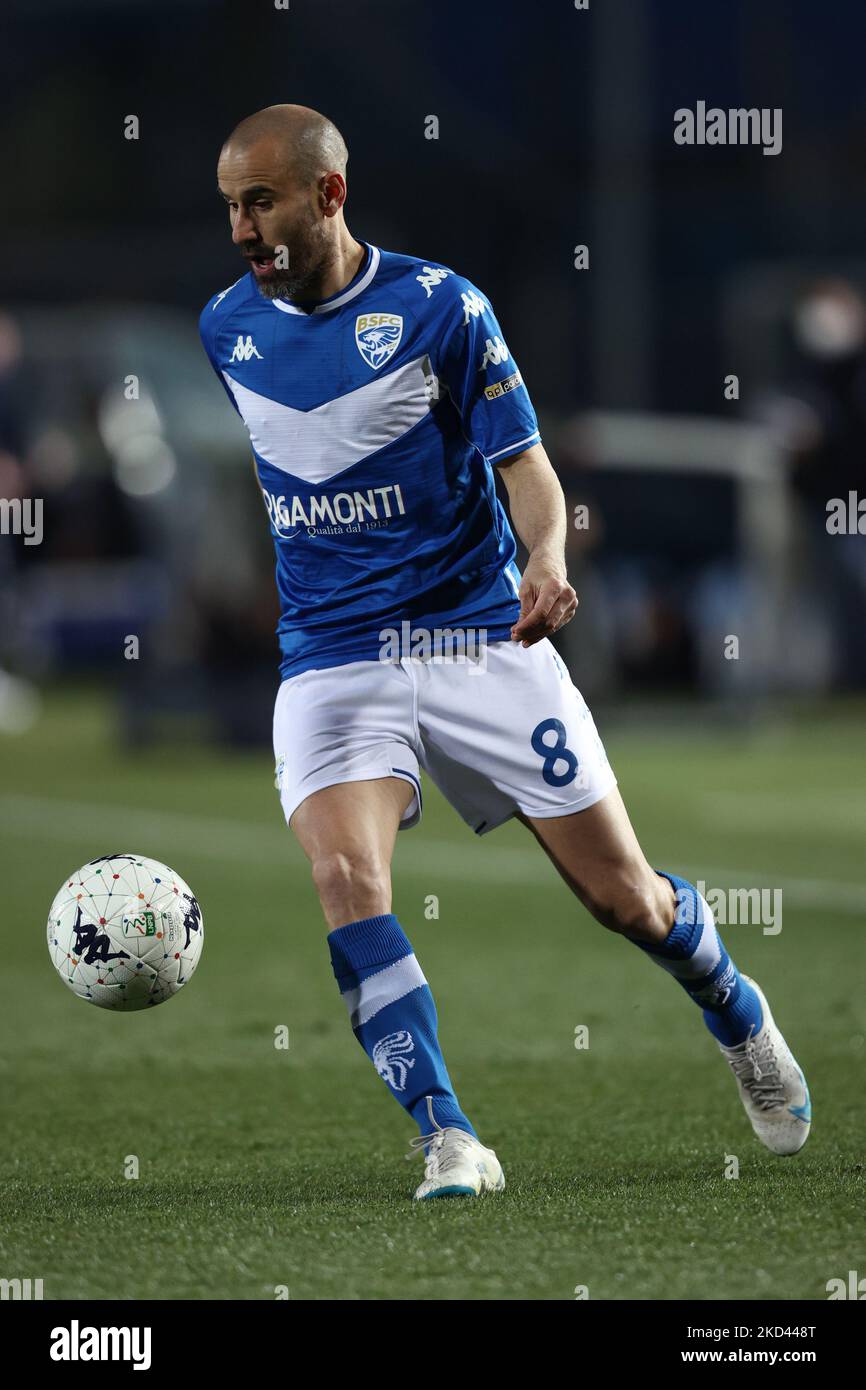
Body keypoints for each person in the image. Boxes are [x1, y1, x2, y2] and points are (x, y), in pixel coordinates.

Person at [199, 104, 810, 1200]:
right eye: (230, 206)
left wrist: (544, 557)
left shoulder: (442, 308)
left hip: (479, 635)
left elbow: (525, 463)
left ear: (328, 194)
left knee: (623, 898)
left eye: (261, 201)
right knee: (344, 874)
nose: (242, 227)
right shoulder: (224, 328)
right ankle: (448, 1135)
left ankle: (734, 1008)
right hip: (333, 654)